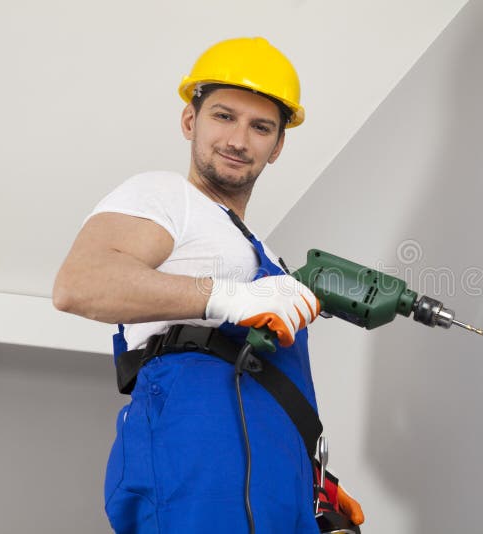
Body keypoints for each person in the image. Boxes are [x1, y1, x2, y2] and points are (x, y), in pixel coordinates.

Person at [53, 36, 363, 533]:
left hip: (276, 484)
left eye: (260, 126)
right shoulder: (166, 195)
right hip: (201, 460)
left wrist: (308, 472)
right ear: (189, 121)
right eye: (223, 116)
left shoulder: (265, 253)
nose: (239, 140)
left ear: (278, 145)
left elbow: (266, 385)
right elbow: (80, 283)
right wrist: (229, 296)